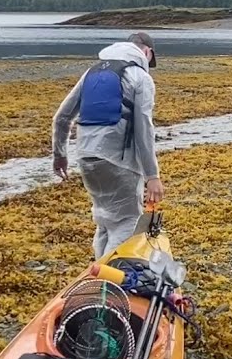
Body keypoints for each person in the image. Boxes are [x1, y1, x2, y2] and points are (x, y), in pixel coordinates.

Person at [52, 32, 164, 260]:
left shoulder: (92, 73)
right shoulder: (140, 77)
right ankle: (107, 279)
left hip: (86, 156)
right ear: (146, 52)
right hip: (119, 161)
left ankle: (96, 277)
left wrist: (60, 155)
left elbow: (62, 118)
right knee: (127, 220)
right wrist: (152, 176)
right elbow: (144, 128)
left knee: (104, 220)